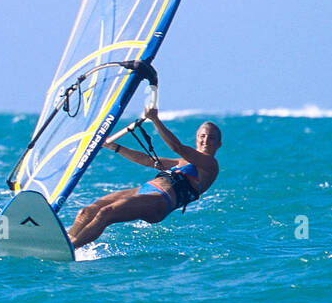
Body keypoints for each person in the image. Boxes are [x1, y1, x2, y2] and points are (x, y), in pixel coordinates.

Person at [67, 107, 221, 249]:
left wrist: (155, 119)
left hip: (160, 201)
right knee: (86, 212)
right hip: (144, 190)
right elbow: (148, 161)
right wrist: (116, 147)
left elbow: (177, 147)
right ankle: (67, 240)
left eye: (211, 138)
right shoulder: (182, 162)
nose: (206, 140)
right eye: (202, 136)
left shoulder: (210, 164)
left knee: (106, 213)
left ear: (218, 144)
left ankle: (71, 248)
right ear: (196, 138)